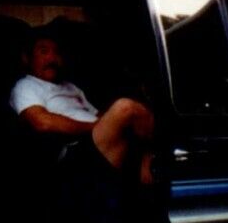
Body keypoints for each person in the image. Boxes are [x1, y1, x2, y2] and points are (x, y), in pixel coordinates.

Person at [9, 25, 156, 185]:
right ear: (26, 58)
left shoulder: (70, 87)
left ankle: (148, 160)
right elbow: (42, 122)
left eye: (56, 53)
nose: (52, 59)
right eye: (44, 52)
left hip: (98, 141)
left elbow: (98, 115)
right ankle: (147, 159)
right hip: (74, 151)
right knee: (125, 107)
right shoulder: (25, 85)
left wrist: (109, 122)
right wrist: (99, 126)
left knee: (137, 105)